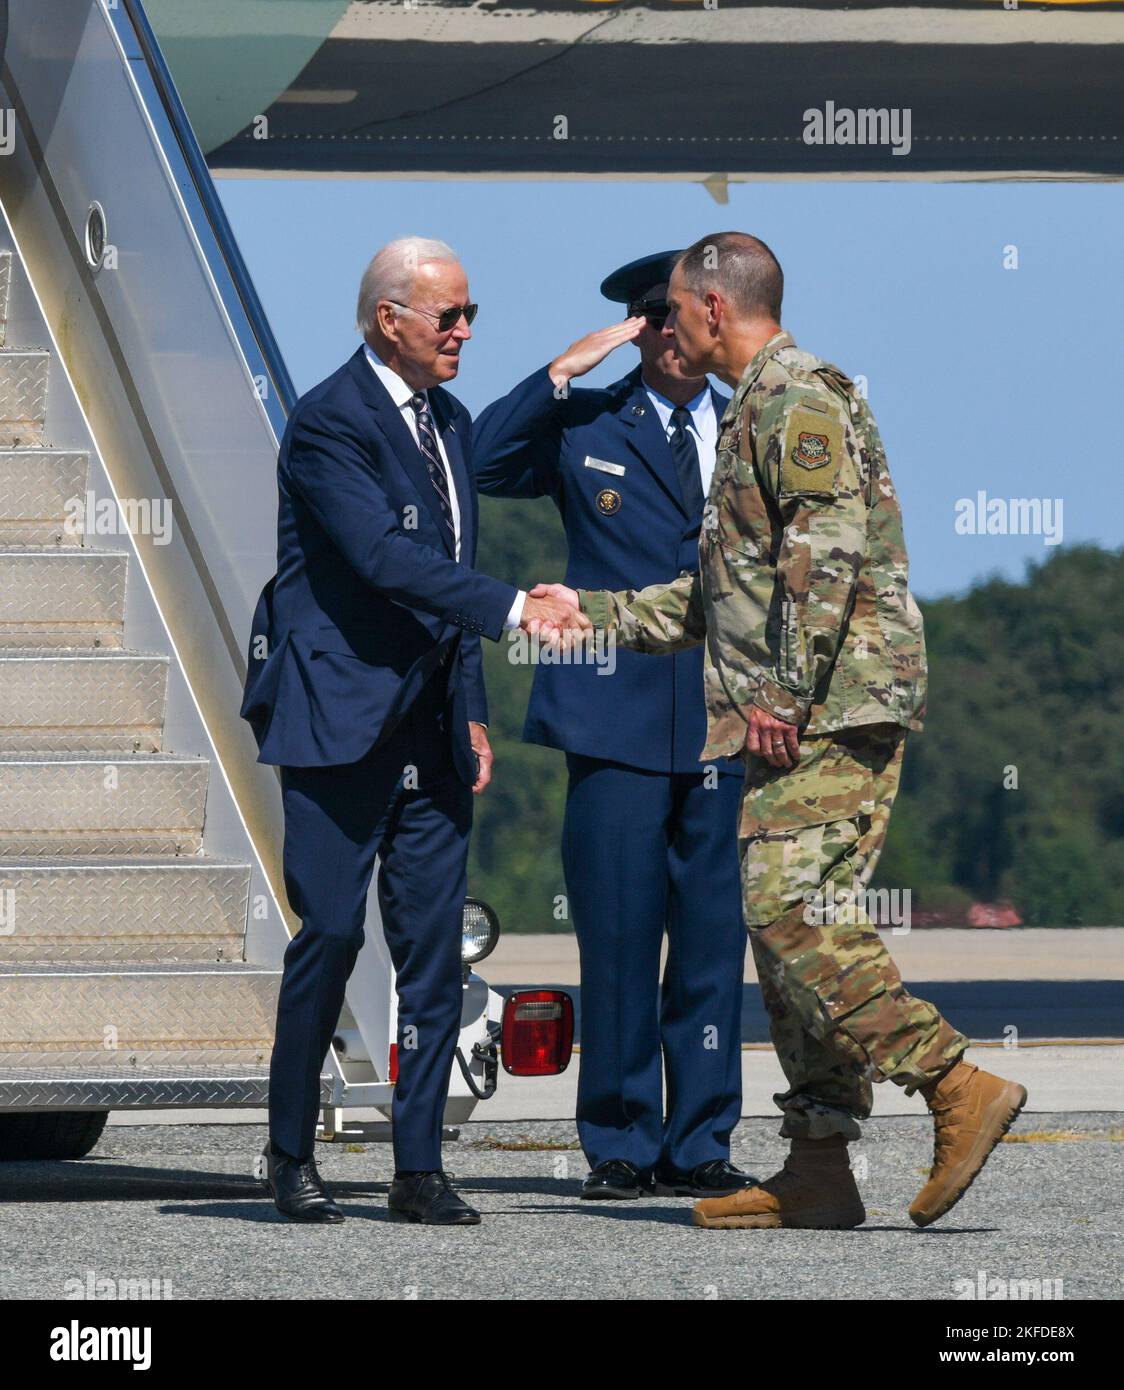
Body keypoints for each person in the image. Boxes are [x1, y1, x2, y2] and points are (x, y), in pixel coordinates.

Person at [536, 231, 1027, 1230]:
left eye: (672, 309)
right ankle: (817, 1161)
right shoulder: (755, 404)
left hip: (831, 703)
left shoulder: (794, 397)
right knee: (780, 921)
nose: (664, 327)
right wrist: (594, 612)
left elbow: (826, 564)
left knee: (787, 910)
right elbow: (723, 593)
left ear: (714, 309)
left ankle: (949, 1081)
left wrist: (777, 695)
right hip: (802, 698)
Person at [240, 236, 586, 1226]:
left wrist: (469, 708)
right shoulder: (326, 425)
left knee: (433, 953)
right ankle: (288, 1152)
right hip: (335, 720)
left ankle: (419, 1166)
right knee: (335, 932)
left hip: (429, 731)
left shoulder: (451, 422)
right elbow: (387, 561)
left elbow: (448, 573)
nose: (464, 331)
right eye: (449, 316)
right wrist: (517, 610)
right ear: (388, 318)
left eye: (470, 313)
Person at [473, 253, 755, 1201]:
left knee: (713, 946)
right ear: (640, 330)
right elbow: (481, 462)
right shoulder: (591, 421)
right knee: (621, 941)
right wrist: (560, 373)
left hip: (724, 719)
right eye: (658, 326)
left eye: (685, 323)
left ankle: (702, 1141)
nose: (677, 342)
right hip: (612, 716)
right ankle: (622, 1143)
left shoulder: (751, 423)